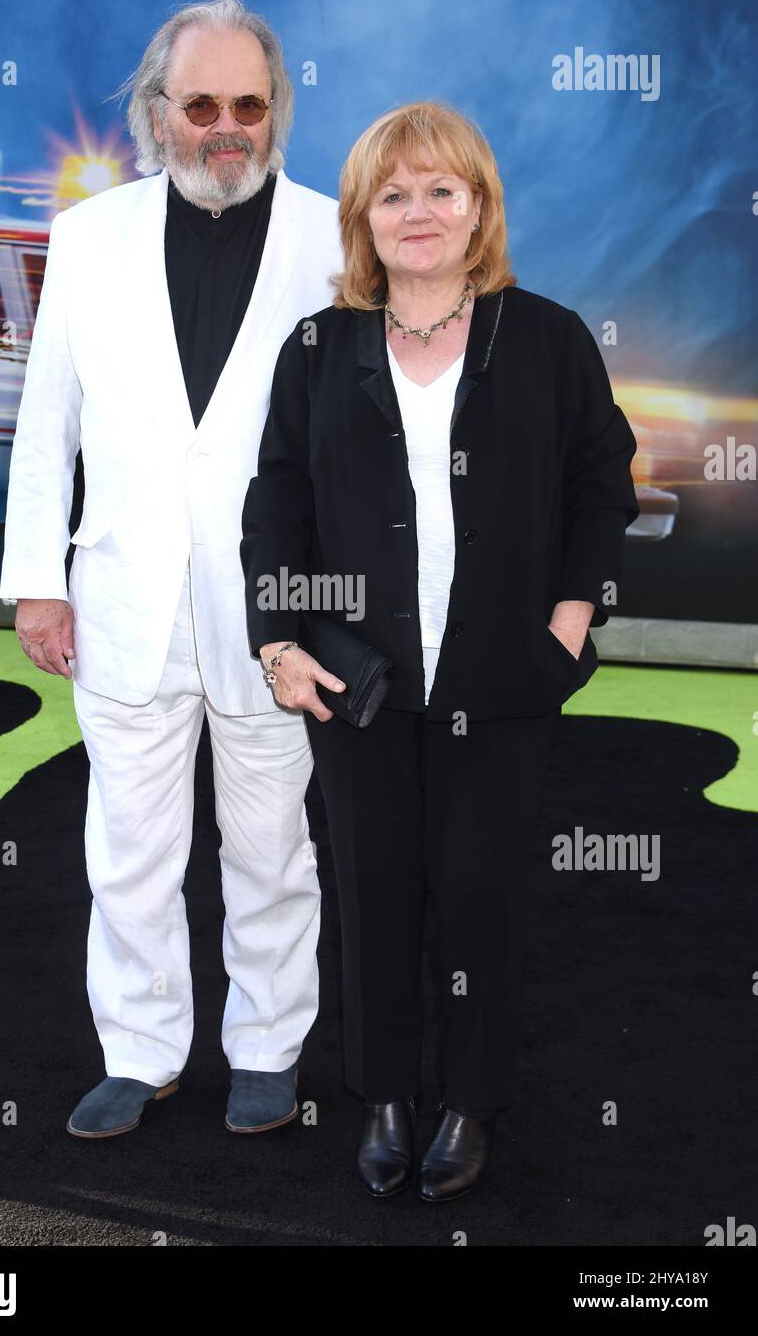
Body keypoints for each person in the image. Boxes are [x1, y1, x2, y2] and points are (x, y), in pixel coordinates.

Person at [241, 100, 639, 1200]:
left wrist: (568, 621)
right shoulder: (318, 348)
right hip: (355, 682)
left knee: (480, 899)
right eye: (392, 194)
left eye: (439, 191)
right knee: (371, 897)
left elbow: (599, 485)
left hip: (501, 679)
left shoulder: (547, 338)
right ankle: (381, 1098)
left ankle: (469, 1100)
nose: (415, 212)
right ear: (363, 218)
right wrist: (277, 638)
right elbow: (275, 503)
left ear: (478, 208)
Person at [0, 0, 342, 1140]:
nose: (225, 127)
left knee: (272, 846)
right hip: (120, 600)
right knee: (129, 850)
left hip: (275, 613)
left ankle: (267, 1046)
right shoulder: (87, 237)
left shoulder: (334, 237)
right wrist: (36, 580)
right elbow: (47, 421)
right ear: (156, 114)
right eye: (201, 106)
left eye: (249, 104)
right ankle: (139, 1052)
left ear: (276, 110)